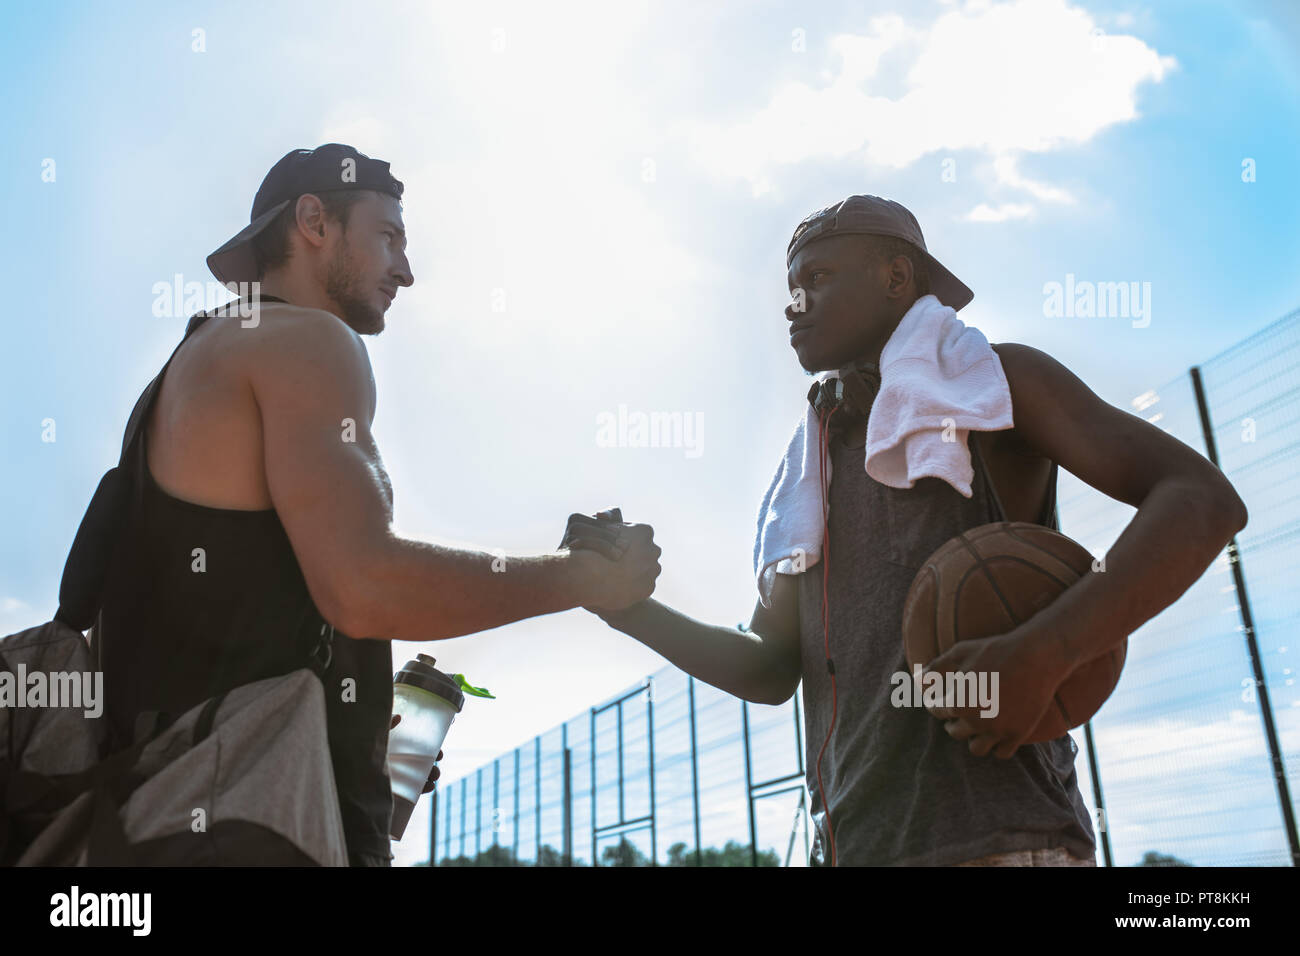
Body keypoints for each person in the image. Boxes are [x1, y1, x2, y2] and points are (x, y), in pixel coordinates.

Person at [563, 195, 1248, 866]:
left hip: (1007, 840)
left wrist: (1049, 650)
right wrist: (628, 610)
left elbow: (1199, 500)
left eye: (818, 279)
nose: (793, 304)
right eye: (790, 288)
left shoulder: (993, 383)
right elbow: (770, 667)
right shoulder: (810, 465)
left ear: (897, 277)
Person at [91, 144, 661, 867]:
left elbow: (227, 625)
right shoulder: (306, 341)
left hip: (163, 817)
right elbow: (363, 587)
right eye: (388, 236)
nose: (406, 269)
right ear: (314, 223)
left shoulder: (200, 360)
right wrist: (583, 578)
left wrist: (348, 729)